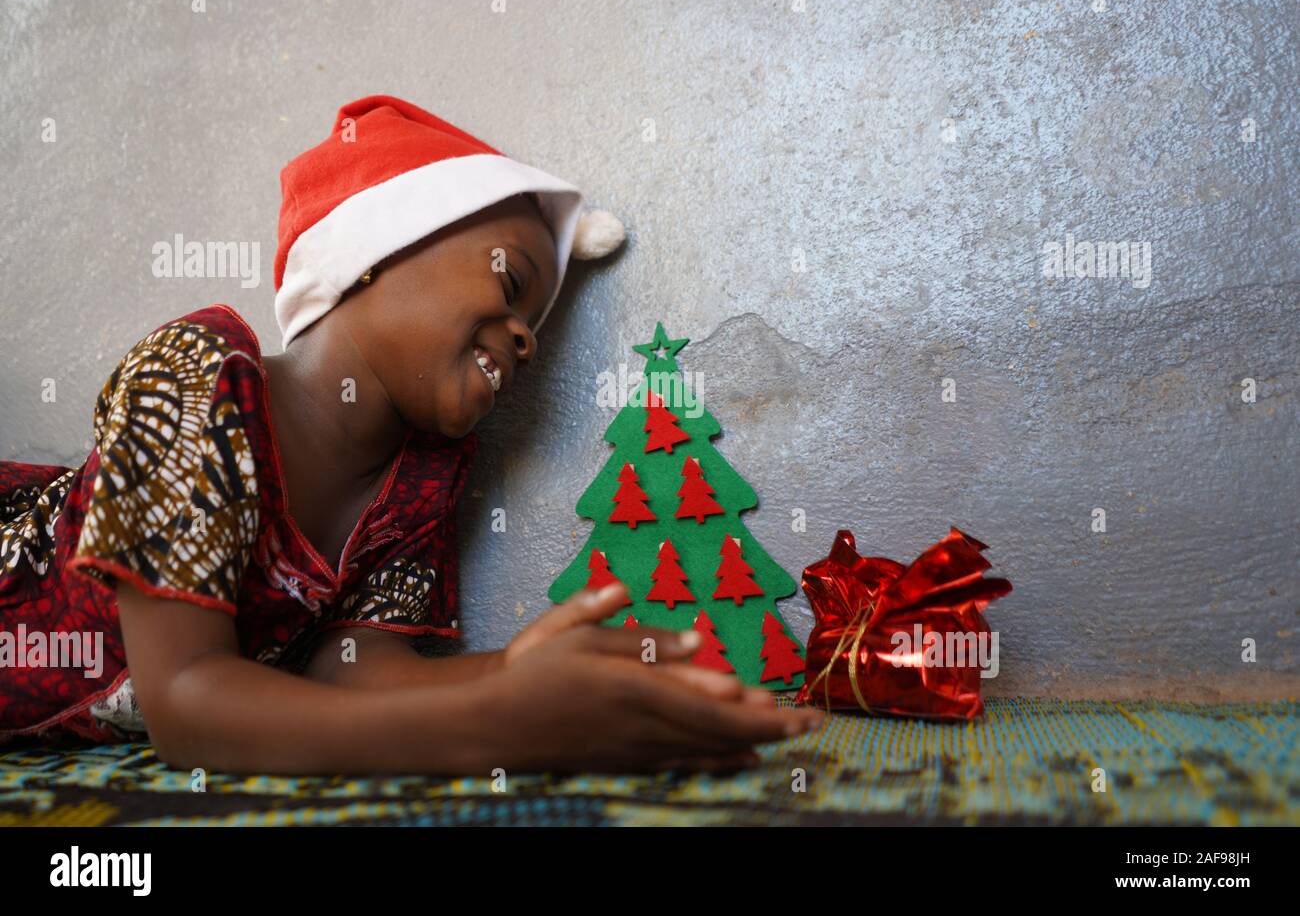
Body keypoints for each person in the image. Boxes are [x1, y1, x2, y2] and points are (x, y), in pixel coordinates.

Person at [0, 94, 823, 774]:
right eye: (509, 282)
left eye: (534, 327)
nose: (527, 338)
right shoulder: (195, 378)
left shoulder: (421, 476)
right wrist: (497, 723)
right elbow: (186, 705)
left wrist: (545, 677)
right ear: (373, 251)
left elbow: (356, 670)